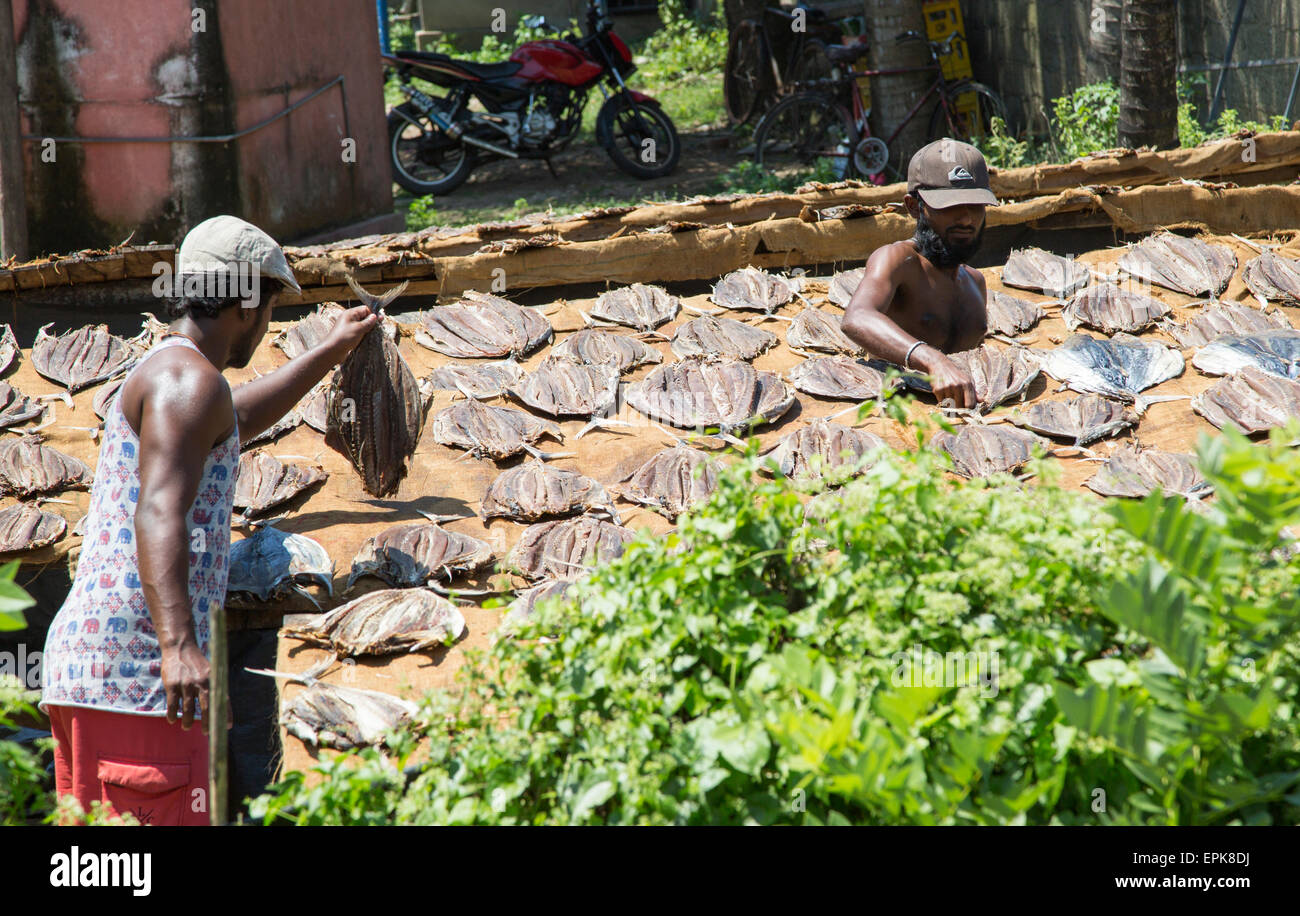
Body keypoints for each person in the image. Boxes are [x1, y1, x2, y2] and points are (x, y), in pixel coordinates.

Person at [40, 215, 378, 825]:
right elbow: (160, 509)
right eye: (271, 304)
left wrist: (331, 349)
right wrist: (177, 647)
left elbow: (233, 422)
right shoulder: (185, 383)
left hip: (102, 675)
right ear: (247, 305)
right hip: (139, 674)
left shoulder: (183, 377)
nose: (269, 321)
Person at [841, 138, 998, 409]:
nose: (966, 219)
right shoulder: (897, 260)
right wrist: (932, 360)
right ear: (914, 206)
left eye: (975, 205)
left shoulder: (976, 282)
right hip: (898, 419)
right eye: (949, 206)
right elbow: (857, 317)